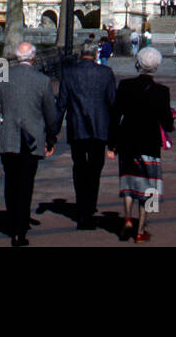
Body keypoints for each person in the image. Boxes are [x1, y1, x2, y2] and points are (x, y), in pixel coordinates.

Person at [0, 42, 59, 246]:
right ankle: (20, 230)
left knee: (10, 182)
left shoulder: (3, 78)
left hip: (8, 138)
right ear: (33, 58)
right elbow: (51, 115)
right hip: (32, 139)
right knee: (26, 185)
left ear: (16, 58)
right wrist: (51, 139)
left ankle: (12, 220)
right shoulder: (42, 81)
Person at [109, 47, 175, 243]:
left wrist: (112, 144)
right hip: (150, 142)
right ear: (156, 66)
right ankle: (141, 229)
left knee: (129, 181)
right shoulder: (162, 91)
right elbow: (166, 122)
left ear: (138, 63)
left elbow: (115, 115)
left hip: (127, 140)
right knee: (150, 186)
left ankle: (128, 217)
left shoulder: (125, 86)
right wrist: (170, 121)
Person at [56, 42, 117, 229]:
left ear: (80, 53)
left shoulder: (69, 73)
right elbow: (113, 105)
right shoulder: (106, 73)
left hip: (77, 127)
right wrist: (114, 139)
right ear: (95, 54)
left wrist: (53, 131)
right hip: (100, 128)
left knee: (79, 168)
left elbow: (61, 104)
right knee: (95, 170)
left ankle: (82, 208)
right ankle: (89, 208)